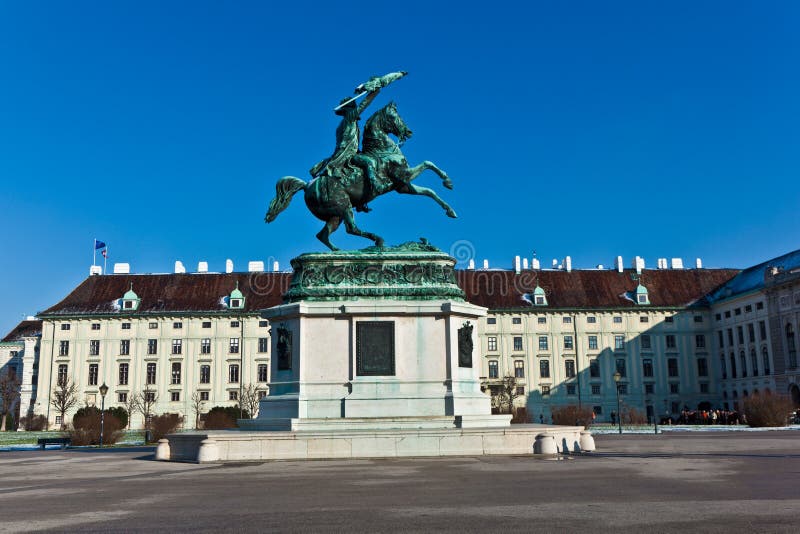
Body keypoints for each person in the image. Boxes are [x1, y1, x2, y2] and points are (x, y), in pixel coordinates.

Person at [309, 72, 407, 212]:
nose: (356, 108)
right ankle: (375, 186)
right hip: (347, 155)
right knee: (370, 162)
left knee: (364, 166)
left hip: (347, 153)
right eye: (354, 107)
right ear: (349, 110)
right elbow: (365, 104)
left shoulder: (344, 123)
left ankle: (361, 199)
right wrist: (374, 91)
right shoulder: (349, 119)